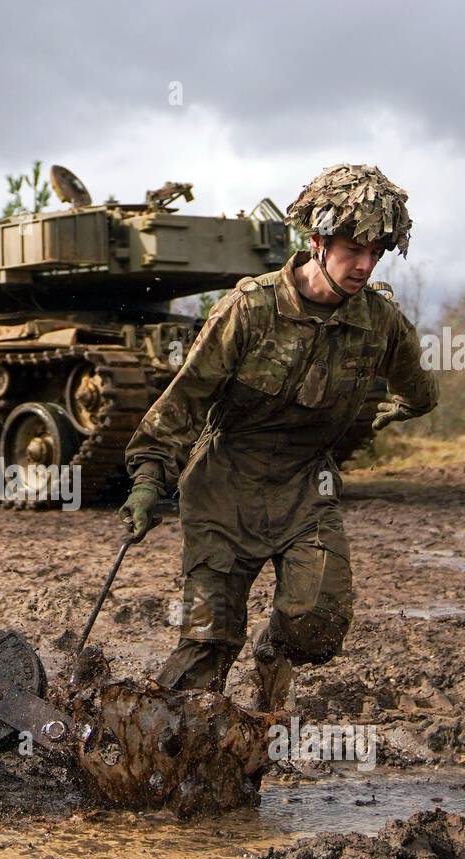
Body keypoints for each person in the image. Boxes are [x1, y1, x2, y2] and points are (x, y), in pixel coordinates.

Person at [119, 164, 438, 713]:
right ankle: (165, 736)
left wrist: (403, 407)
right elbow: (186, 399)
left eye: (376, 253)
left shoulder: (380, 321)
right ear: (317, 243)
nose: (365, 265)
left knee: (316, 623)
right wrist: (149, 479)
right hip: (223, 485)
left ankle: (269, 678)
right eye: (353, 249)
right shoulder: (251, 308)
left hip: (306, 487)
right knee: (209, 643)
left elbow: (420, 388)